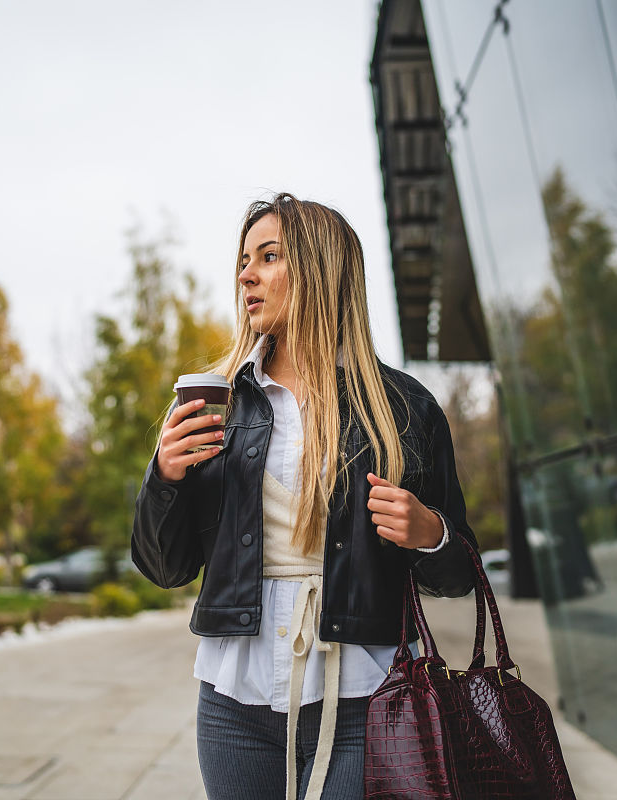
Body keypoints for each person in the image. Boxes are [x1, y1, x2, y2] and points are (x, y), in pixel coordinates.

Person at [132, 193, 478, 800]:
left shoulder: (404, 408)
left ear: (322, 270)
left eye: (268, 257)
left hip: (369, 699)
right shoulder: (216, 402)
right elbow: (166, 569)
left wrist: (431, 534)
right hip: (234, 706)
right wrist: (164, 479)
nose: (246, 275)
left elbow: (458, 577)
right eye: (244, 260)